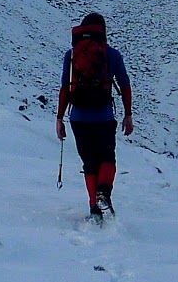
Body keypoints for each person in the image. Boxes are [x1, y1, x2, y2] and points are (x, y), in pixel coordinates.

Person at [55, 12, 133, 217]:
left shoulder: (71, 55)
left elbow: (65, 87)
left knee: (89, 162)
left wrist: (59, 119)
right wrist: (128, 114)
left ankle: (94, 207)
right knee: (107, 157)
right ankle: (104, 193)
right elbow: (125, 84)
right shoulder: (112, 55)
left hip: (78, 118)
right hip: (104, 117)